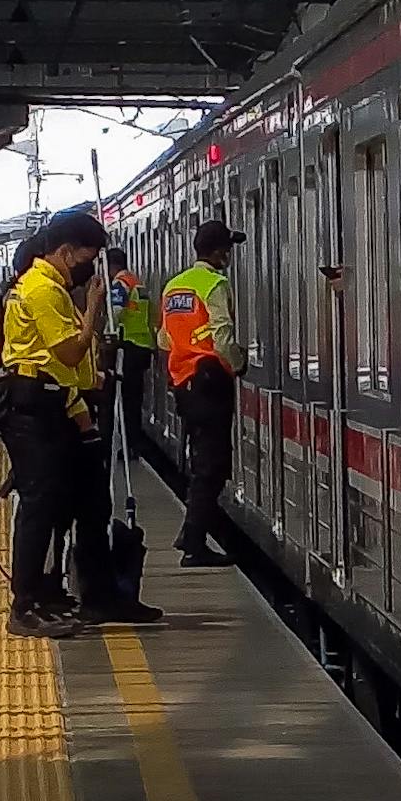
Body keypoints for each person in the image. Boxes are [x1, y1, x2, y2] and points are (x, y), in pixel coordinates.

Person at [0, 207, 164, 631]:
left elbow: (66, 367)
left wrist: (85, 409)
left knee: (88, 501)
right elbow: (69, 352)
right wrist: (92, 309)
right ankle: (26, 604)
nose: (90, 269)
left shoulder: (50, 288)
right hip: (36, 408)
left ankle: (95, 595)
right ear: (68, 252)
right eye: (88, 258)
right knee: (40, 504)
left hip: (62, 404)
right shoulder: (42, 291)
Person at [148, 215, 244, 575]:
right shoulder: (215, 283)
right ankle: (193, 543)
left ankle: (191, 533)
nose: (229, 256)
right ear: (219, 253)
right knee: (212, 466)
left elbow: (164, 339)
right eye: (228, 249)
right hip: (210, 380)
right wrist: (237, 363)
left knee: (202, 459)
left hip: (183, 382)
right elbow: (222, 334)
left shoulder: (174, 286)